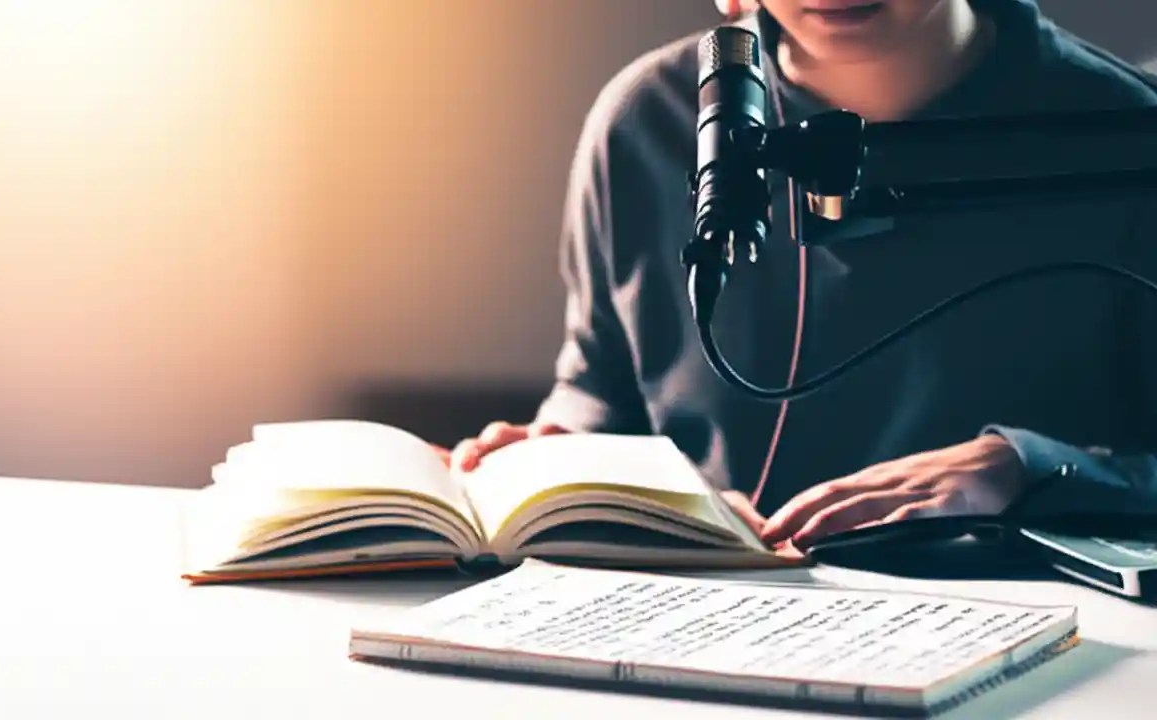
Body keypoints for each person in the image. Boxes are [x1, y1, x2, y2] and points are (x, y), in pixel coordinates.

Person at [451, 0, 1157, 550]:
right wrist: (553, 457)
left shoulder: (1126, 139)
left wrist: (1029, 469)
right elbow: (600, 391)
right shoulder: (647, 124)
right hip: (701, 632)